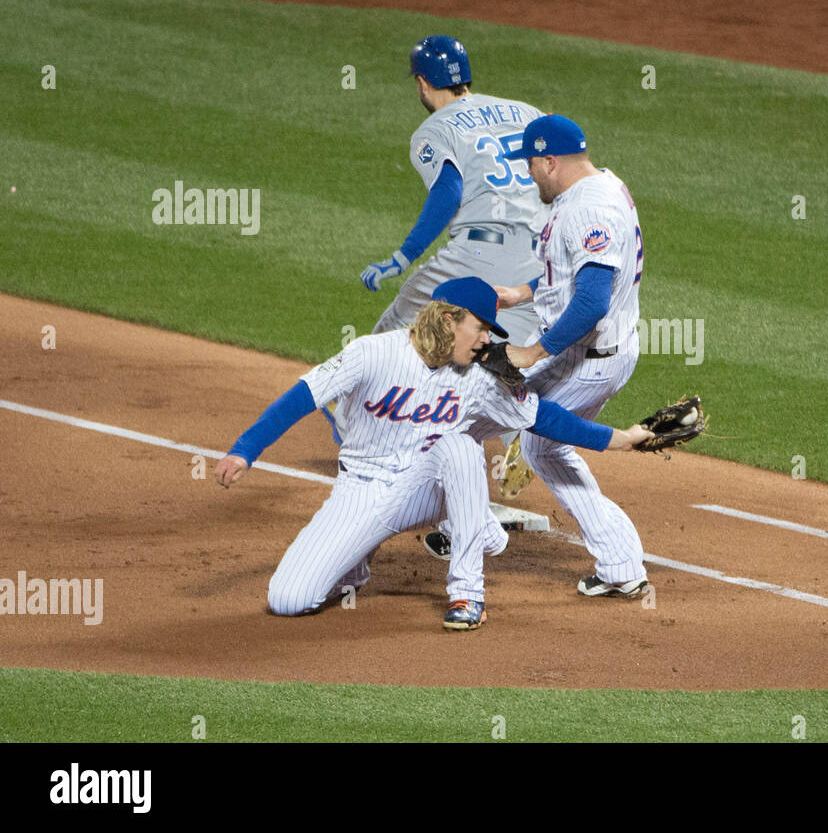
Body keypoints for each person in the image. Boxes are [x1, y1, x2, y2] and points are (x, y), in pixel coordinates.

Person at [214, 277, 651, 629]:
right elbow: (302, 396)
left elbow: (547, 419)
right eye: (480, 328)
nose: (486, 341)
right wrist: (243, 451)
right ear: (447, 320)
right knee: (288, 600)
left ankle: (467, 594)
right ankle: (372, 555)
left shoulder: (480, 376)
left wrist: (622, 438)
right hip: (361, 490)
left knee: (459, 444)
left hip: (425, 486)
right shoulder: (373, 353)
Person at [355, 34, 545, 497]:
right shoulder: (524, 111)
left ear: (422, 83)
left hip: (478, 251)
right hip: (539, 254)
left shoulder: (435, 129)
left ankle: (362, 429)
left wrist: (401, 257)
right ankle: (516, 436)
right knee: (495, 356)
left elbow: (447, 193)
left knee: (396, 330)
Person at [492, 114, 651, 598]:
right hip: (595, 347)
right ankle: (622, 563)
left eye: (531, 166)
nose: (529, 175)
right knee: (532, 435)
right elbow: (576, 274)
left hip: (587, 354)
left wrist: (531, 352)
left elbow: (591, 301)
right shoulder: (604, 183)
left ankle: (466, 528)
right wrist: (524, 293)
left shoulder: (589, 210)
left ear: (549, 161)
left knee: (495, 402)